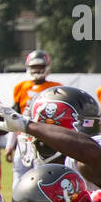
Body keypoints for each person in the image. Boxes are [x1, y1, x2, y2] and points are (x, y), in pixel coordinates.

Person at [6, 50, 59, 187]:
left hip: (44, 138)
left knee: (41, 175)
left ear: (47, 67)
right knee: (19, 173)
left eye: (40, 66)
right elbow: (14, 118)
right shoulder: (21, 87)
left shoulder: (56, 88)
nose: (37, 69)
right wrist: (9, 145)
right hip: (24, 138)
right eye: (34, 66)